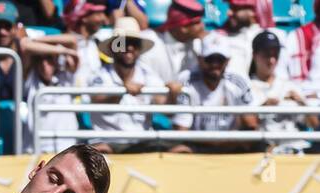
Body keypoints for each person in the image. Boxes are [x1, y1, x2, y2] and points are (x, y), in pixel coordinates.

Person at [86, 16, 170, 153]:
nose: (129, 47)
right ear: (113, 48)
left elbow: (163, 103)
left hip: (141, 143)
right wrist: (122, 91)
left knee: (178, 149)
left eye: (134, 43)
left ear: (139, 49)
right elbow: (98, 100)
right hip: (107, 142)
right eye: (123, 43)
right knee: (100, 152)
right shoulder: (99, 75)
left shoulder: (148, 73)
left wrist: (173, 92)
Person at [170, 33, 257, 153]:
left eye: (220, 59)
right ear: (200, 59)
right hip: (197, 147)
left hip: (231, 147)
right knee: (178, 151)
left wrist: (224, 143)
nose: (215, 64)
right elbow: (181, 130)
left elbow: (251, 124)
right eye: (210, 59)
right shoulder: (187, 81)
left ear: (227, 61)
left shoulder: (238, 82)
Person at [247, 29, 311, 154]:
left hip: (297, 148)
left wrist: (301, 103)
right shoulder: (247, 87)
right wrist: (264, 107)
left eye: (275, 55)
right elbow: (247, 126)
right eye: (266, 55)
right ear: (254, 55)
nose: (271, 60)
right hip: (266, 150)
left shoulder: (289, 85)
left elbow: (313, 124)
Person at [139, 0, 205, 85]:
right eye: (198, 23)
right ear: (184, 28)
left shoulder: (200, 45)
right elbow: (117, 44)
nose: (203, 26)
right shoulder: (145, 40)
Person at [214, 0, 261, 79]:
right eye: (230, 7)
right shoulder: (219, 36)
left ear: (252, 11)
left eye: (235, 8)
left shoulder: (264, 37)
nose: (229, 13)